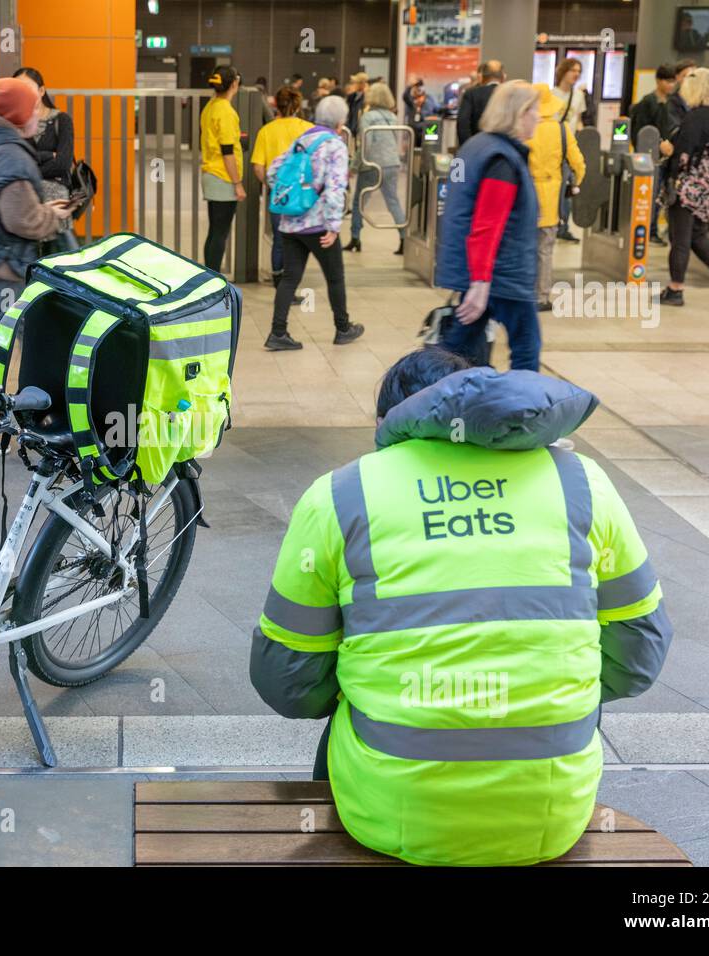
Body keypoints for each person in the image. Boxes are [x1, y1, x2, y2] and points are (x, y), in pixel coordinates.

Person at [250, 346, 670, 866]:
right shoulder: (584, 484)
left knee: (348, 716)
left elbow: (286, 682)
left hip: (386, 815)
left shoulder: (339, 494)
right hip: (550, 819)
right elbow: (640, 657)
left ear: (387, 422)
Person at [0, 76, 74, 449]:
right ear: (21, 114)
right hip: (2, 266)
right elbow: (21, 220)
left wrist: (40, 208)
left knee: (32, 345)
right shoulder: (11, 154)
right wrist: (53, 215)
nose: (39, 113)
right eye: (34, 107)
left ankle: (42, 421)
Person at [434, 81, 542, 372]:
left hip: (485, 272)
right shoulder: (502, 161)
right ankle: (521, 413)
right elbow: (487, 224)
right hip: (502, 274)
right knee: (526, 350)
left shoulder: (476, 146)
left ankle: (421, 396)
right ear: (519, 114)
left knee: (455, 347)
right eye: (534, 110)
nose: (539, 117)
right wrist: (480, 284)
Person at [264, 95, 364, 351]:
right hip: (319, 226)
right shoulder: (336, 145)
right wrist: (333, 225)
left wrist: (296, 197)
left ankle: (278, 333)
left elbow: (273, 172)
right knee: (335, 278)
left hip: (290, 224)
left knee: (289, 279)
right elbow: (335, 189)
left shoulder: (302, 139)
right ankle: (343, 328)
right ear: (341, 121)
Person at [661, 68, 709, 308]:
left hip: (688, 187)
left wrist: (668, 152)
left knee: (680, 238)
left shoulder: (695, 118)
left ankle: (675, 290)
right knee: (695, 234)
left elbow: (683, 155)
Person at [529, 84, 585, 313]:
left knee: (524, 248)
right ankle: (541, 297)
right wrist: (576, 183)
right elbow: (578, 164)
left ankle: (520, 293)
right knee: (545, 249)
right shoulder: (562, 130)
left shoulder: (524, 128)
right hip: (551, 198)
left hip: (526, 197)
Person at [250, 85, 311, 291]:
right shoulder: (308, 128)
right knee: (300, 240)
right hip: (303, 194)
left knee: (280, 238)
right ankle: (292, 282)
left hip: (279, 195)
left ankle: (278, 281)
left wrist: (272, 186)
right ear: (297, 105)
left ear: (276, 104)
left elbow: (258, 168)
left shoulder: (266, 130)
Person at [13, 66, 78, 254]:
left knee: (61, 255)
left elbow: (63, 164)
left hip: (54, 190)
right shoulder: (15, 123)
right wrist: (48, 155)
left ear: (41, 91)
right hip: (25, 194)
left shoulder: (61, 120)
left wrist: (29, 168)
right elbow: (16, 164)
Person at [346, 81, 407, 255]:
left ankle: (355, 238)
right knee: (393, 201)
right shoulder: (392, 117)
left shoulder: (367, 117)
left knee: (359, 202)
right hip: (392, 163)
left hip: (372, 165)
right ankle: (403, 238)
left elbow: (366, 145)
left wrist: (354, 166)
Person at [200, 67, 245, 273]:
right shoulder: (226, 111)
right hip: (223, 177)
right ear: (234, 84)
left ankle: (210, 276)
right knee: (220, 233)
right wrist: (237, 183)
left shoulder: (210, 106)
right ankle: (215, 281)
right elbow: (227, 151)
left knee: (214, 232)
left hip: (211, 174)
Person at [630, 65, 678, 245]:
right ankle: (648, 229)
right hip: (651, 158)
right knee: (649, 195)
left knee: (665, 195)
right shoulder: (647, 103)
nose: (671, 85)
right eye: (667, 81)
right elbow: (640, 132)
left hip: (669, 158)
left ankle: (657, 229)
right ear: (658, 81)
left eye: (673, 81)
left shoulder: (674, 103)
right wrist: (657, 146)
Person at [551, 58, 586, 242]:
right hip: (553, 148)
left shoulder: (578, 96)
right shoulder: (551, 95)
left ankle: (563, 226)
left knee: (570, 189)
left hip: (569, 149)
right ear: (563, 72)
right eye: (573, 70)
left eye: (578, 71)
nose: (576, 74)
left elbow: (578, 120)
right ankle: (553, 222)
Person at [456, 59, 504, 145]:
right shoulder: (509, 95)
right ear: (503, 77)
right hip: (503, 150)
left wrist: (468, 147)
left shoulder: (472, 94)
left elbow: (463, 124)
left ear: (481, 77)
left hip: (477, 147)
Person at [345, 72, 368, 138]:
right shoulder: (352, 97)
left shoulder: (367, 97)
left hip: (360, 127)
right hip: (352, 127)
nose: (353, 85)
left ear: (362, 84)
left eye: (355, 82)